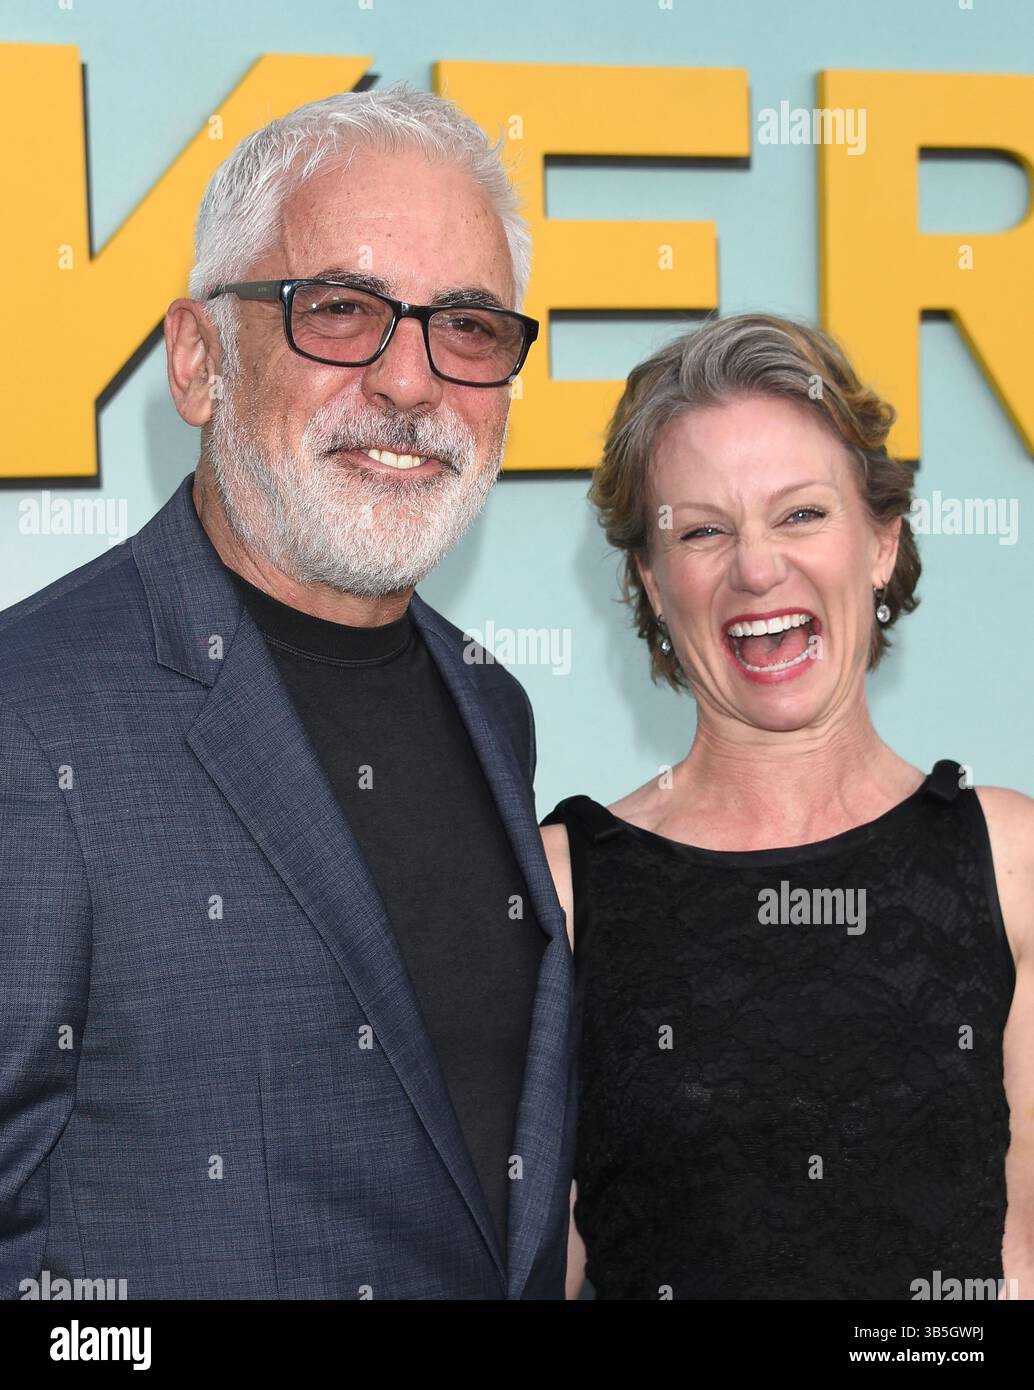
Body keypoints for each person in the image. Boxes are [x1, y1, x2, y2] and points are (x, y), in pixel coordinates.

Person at [0, 84, 574, 1301]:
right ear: (199, 359)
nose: (411, 383)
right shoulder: (30, 717)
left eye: (466, 327)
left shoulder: (492, 706)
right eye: (345, 309)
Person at [541, 313, 1033, 1300]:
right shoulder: (558, 888)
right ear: (649, 578)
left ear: (881, 542)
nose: (755, 567)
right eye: (703, 530)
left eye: (800, 514)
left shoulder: (1010, 860)